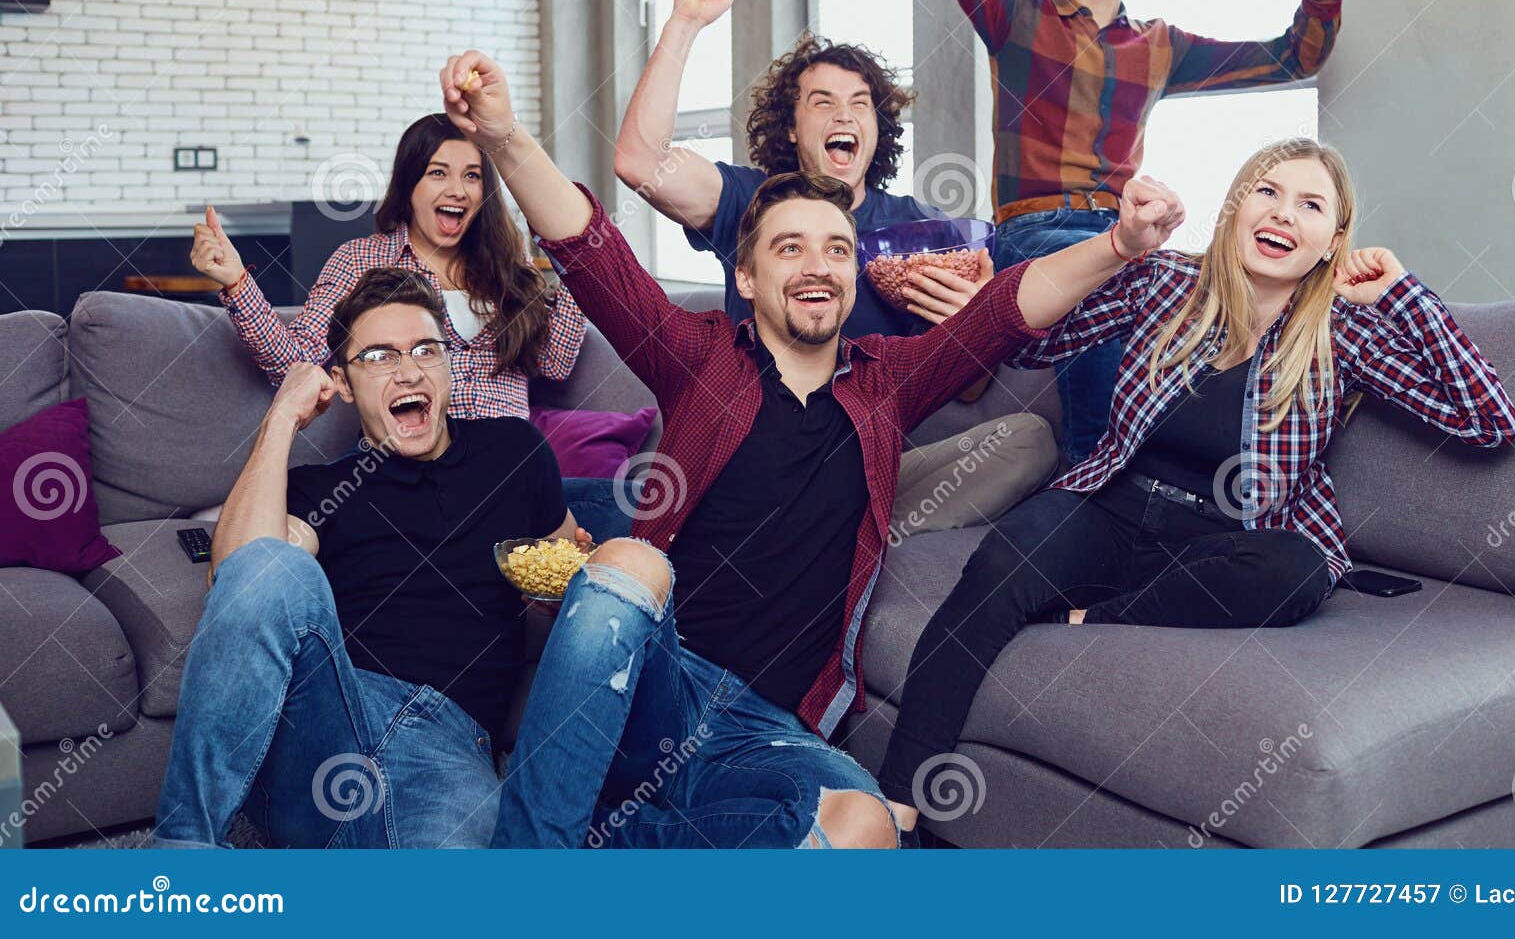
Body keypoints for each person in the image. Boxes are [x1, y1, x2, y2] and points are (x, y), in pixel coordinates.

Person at [432, 48, 1184, 849]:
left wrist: (1121, 243)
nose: (817, 263)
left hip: (765, 731)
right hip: (658, 682)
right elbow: (591, 249)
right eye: (789, 247)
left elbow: (1002, 311)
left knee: (866, 830)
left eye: (834, 247)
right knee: (629, 565)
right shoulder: (699, 356)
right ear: (747, 277)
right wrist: (506, 137)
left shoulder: (886, 383)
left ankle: (618, 843)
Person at [875, 138, 1515, 826]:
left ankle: (1095, 618)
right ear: (1236, 206)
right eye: (1267, 192)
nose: (1282, 214)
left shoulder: (1344, 330)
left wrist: (1404, 293)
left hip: (1226, 541)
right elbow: (1038, 344)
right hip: (1112, 508)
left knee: (1297, 569)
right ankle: (898, 810)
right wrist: (1001, 296)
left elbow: (1487, 422)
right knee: (1001, 560)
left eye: (1310, 205)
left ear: (1333, 240)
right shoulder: (1166, 282)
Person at [924, 0, 1346, 466]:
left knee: (1214, 280)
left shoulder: (1158, 45)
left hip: (1128, 232)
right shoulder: (1018, 16)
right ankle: (1093, 473)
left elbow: (1289, 59)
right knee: (1119, 276)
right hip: (1036, 232)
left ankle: (1237, 476)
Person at [150, 268, 587, 848]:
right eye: (379, 356)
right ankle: (185, 846)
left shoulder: (515, 451)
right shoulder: (318, 486)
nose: (409, 370)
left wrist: (571, 589)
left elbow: (569, 567)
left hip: (447, 745)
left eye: (426, 350)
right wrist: (281, 420)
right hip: (329, 716)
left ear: (448, 365)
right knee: (274, 563)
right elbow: (240, 572)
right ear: (344, 384)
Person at [615, 0, 1057, 534]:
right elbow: (639, 161)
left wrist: (972, 325)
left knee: (1030, 438)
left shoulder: (926, 232)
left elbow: (968, 389)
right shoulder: (754, 199)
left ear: (878, 126)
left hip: (864, 470)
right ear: (793, 127)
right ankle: (826, 536)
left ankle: (849, 534)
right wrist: (684, 23)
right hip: (756, 454)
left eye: (860, 103)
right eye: (821, 103)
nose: (843, 115)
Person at [189, 116, 631, 539]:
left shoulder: (509, 269)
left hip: (506, 473)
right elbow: (296, 362)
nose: (457, 189)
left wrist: (579, 260)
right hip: (410, 469)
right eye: (438, 173)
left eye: (472, 176)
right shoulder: (361, 259)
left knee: (639, 509)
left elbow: (555, 364)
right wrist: (237, 282)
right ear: (410, 185)